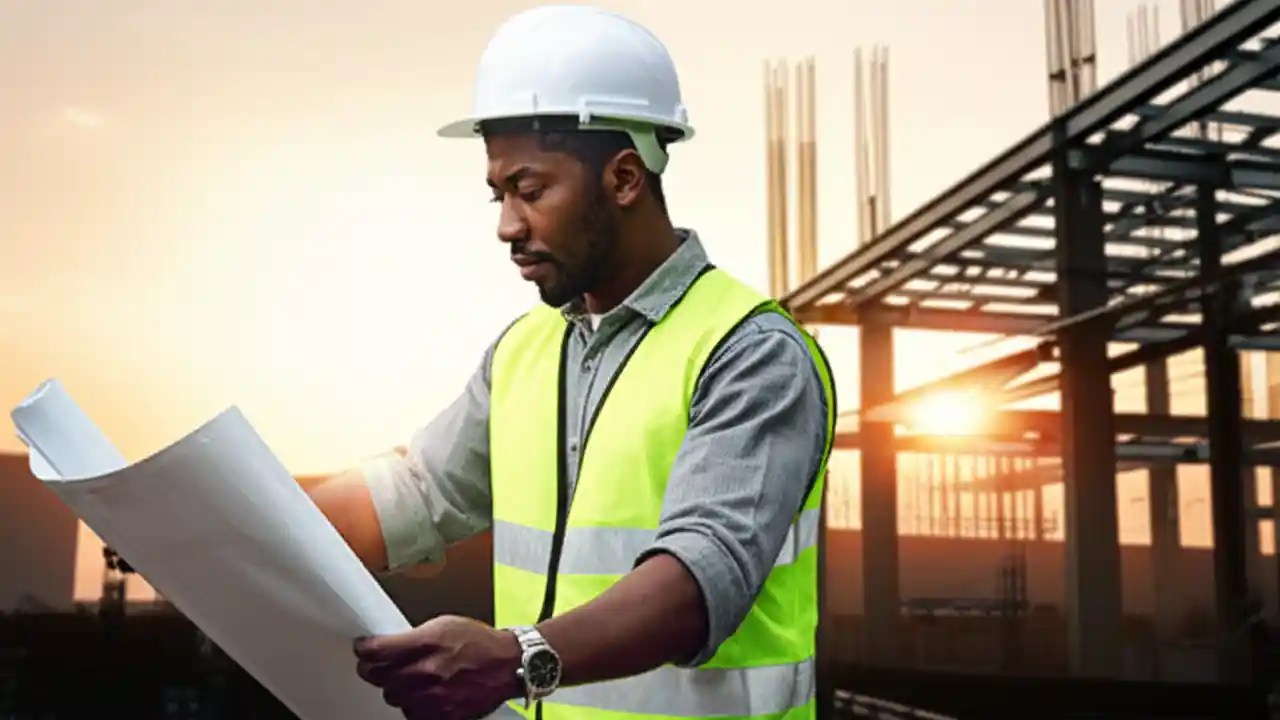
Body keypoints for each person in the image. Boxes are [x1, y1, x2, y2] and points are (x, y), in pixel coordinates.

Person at [304, 5, 836, 720]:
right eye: (498, 194)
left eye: (529, 190)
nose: (506, 226)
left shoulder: (750, 353)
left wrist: (515, 657)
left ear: (622, 180)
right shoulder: (527, 351)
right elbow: (415, 492)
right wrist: (221, 533)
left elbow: (700, 580)